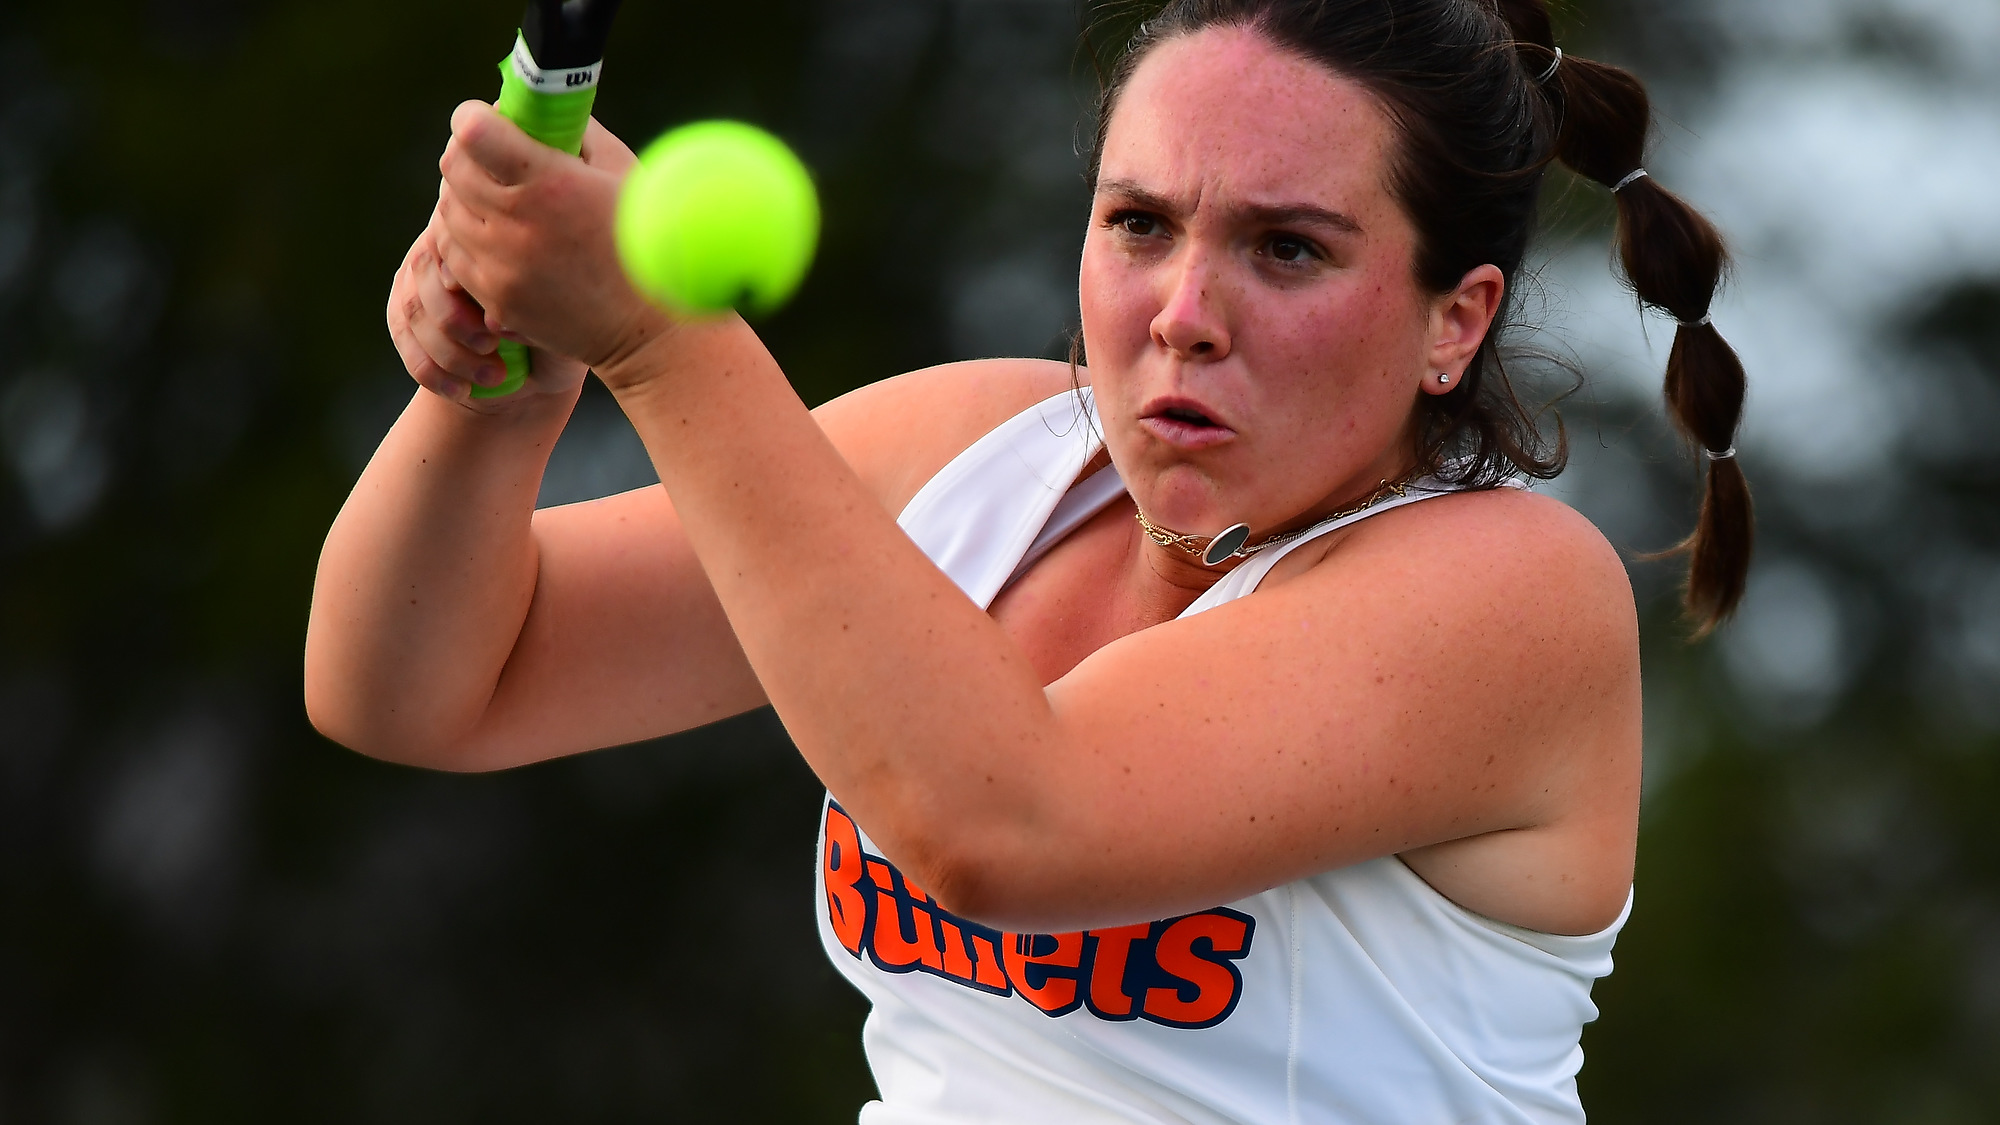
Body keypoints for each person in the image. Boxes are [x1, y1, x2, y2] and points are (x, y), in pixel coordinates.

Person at [306, 0, 1751, 1119]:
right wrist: (503, 396)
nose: (1185, 309)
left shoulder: (1511, 591)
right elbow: (420, 687)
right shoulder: (976, 449)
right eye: (1140, 223)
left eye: (1288, 250)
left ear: (1457, 320)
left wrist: (659, 336)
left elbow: (1001, 826)